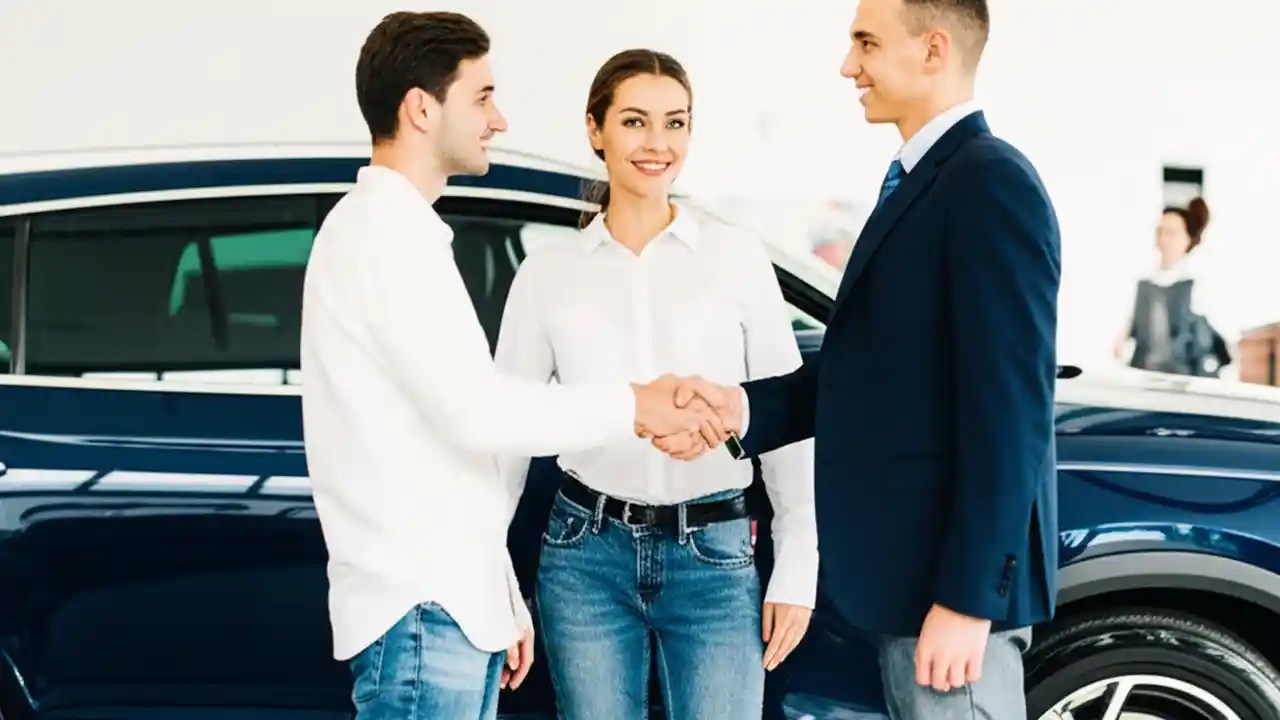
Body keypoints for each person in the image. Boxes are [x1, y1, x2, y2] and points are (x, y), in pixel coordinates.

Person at [298, 13, 723, 720]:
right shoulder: (383, 240)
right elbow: (482, 412)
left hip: (446, 608)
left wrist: (494, 592)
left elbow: (449, 442)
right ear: (422, 108)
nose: (499, 118)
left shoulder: (401, 234)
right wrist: (634, 402)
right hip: (420, 613)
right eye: (483, 96)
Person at [670, 0, 1061, 717]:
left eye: (866, 43)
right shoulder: (924, 181)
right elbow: (876, 369)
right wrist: (742, 407)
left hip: (944, 606)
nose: (848, 65)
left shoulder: (987, 182)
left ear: (934, 49)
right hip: (907, 591)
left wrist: (968, 601)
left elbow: (1010, 412)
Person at [493, 48, 818, 720]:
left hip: (716, 555)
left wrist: (798, 563)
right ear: (595, 129)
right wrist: (490, 567)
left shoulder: (736, 257)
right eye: (636, 122)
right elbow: (509, 432)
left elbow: (785, 417)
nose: (658, 144)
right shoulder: (548, 273)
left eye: (676, 123)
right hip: (586, 556)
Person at [1113, 198, 1232, 376]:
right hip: (1144, 380)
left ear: (1187, 239)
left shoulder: (1199, 287)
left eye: (1171, 232)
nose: (1163, 239)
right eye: (1160, 232)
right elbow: (1123, 341)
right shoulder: (1143, 286)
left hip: (1186, 383)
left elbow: (1219, 348)